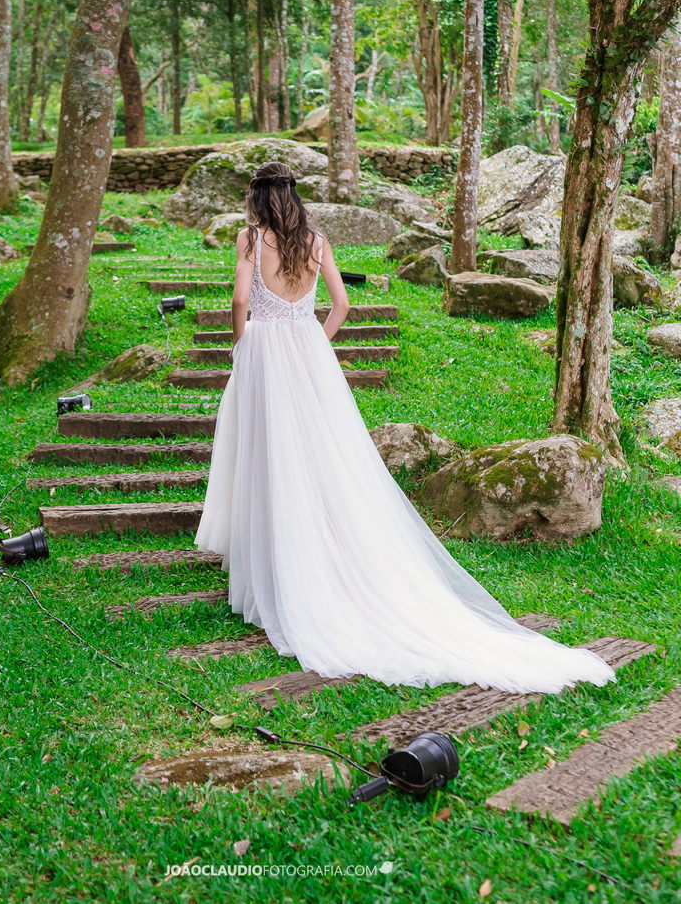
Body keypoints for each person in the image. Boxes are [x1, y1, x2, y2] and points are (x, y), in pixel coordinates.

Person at [194, 161, 616, 694]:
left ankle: (279, 567)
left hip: (264, 351)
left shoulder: (251, 240)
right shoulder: (316, 240)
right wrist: (314, 340)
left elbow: (238, 300)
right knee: (322, 457)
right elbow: (342, 306)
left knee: (270, 452)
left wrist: (243, 339)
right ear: (294, 197)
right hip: (308, 353)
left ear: (257, 199)